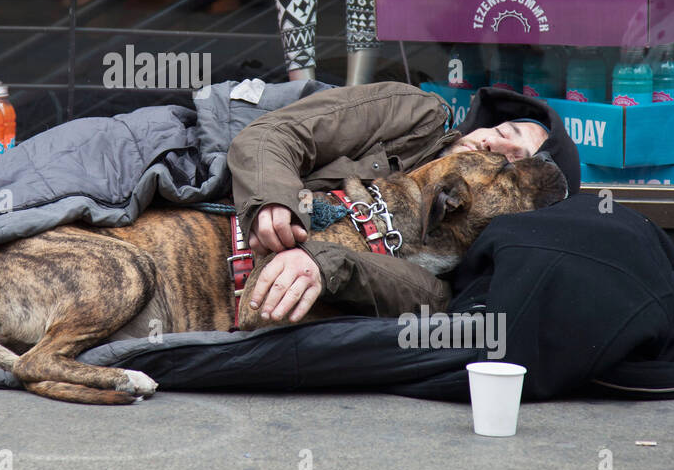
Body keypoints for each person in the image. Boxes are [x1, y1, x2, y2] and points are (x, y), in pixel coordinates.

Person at [227, 82, 580, 325]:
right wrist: (273, 198)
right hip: (225, 170)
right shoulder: (417, 113)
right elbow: (276, 133)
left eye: (513, 163)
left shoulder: (451, 275)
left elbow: (424, 298)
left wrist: (326, 262)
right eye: (502, 134)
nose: (492, 148)